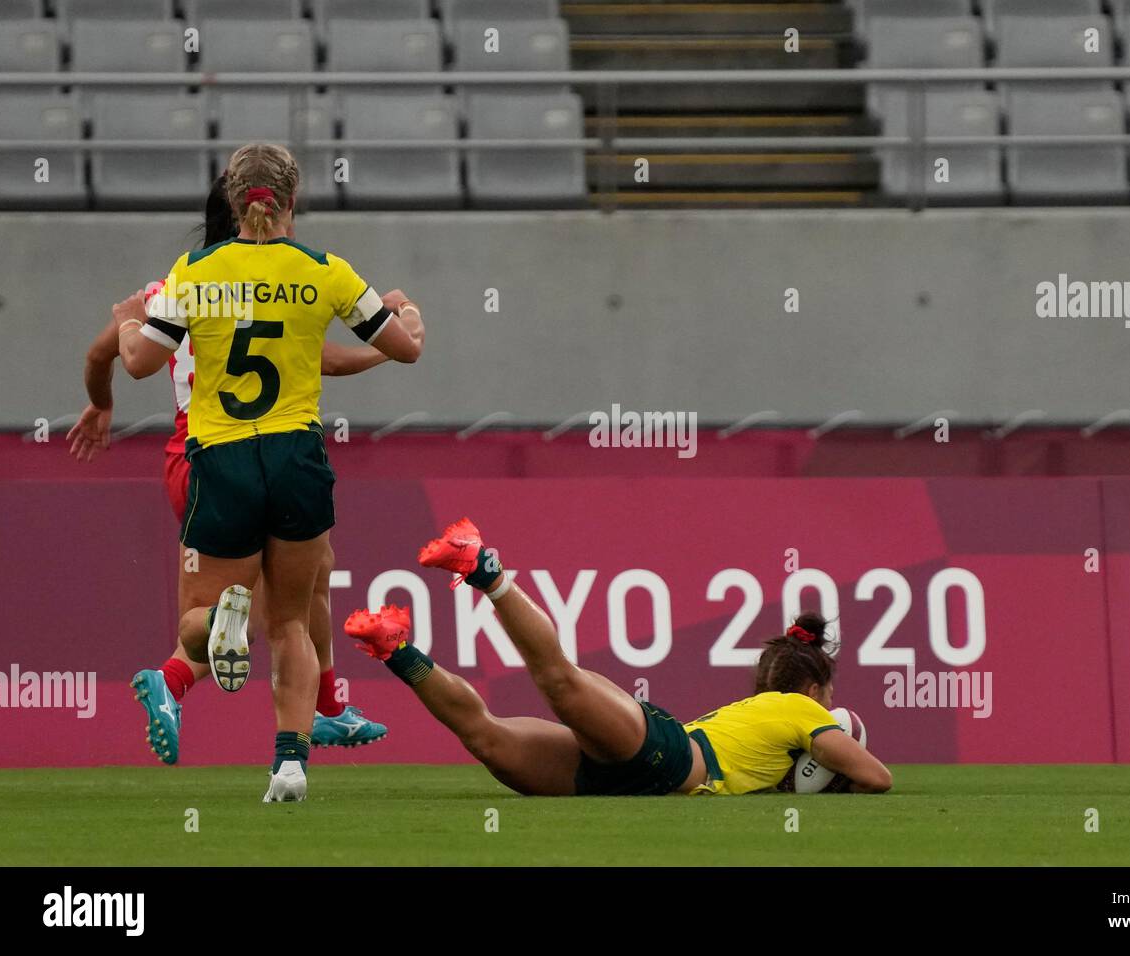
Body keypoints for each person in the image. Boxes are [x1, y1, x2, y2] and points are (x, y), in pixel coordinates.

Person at [116, 144, 422, 802]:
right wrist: (411, 320)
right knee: (290, 621)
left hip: (220, 460)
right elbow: (402, 347)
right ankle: (289, 764)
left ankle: (219, 627)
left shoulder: (194, 271)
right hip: (296, 458)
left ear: (233, 200)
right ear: (294, 197)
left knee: (199, 615)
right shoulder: (323, 270)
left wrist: (126, 330)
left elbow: (140, 362)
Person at [345, 517, 893, 796]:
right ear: (816, 689)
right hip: (660, 757)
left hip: (631, 767)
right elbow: (878, 777)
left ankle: (396, 648)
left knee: (486, 738)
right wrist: (823, 778)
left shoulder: (760, 718)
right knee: (557, 680)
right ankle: (485, 569)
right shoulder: (804, 712)